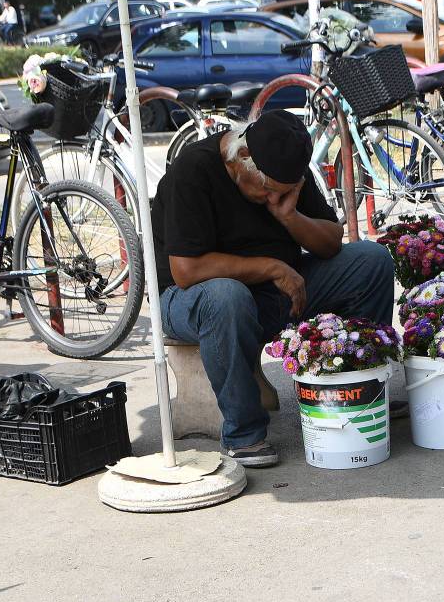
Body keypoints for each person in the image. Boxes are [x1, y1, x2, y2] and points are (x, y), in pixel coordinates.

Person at [153, 110, 396, 468]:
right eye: (266, 190)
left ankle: (361, 388)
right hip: (191, 299)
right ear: (241, 159)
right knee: (226, 296)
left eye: (281, 192)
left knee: (371, 261)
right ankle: (244, 434)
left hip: (278, 291)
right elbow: (188, 270)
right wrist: (271, 267)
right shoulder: (192, 171)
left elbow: (330, 243)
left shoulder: (285, 170)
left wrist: (289, 216)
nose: (272, 198)